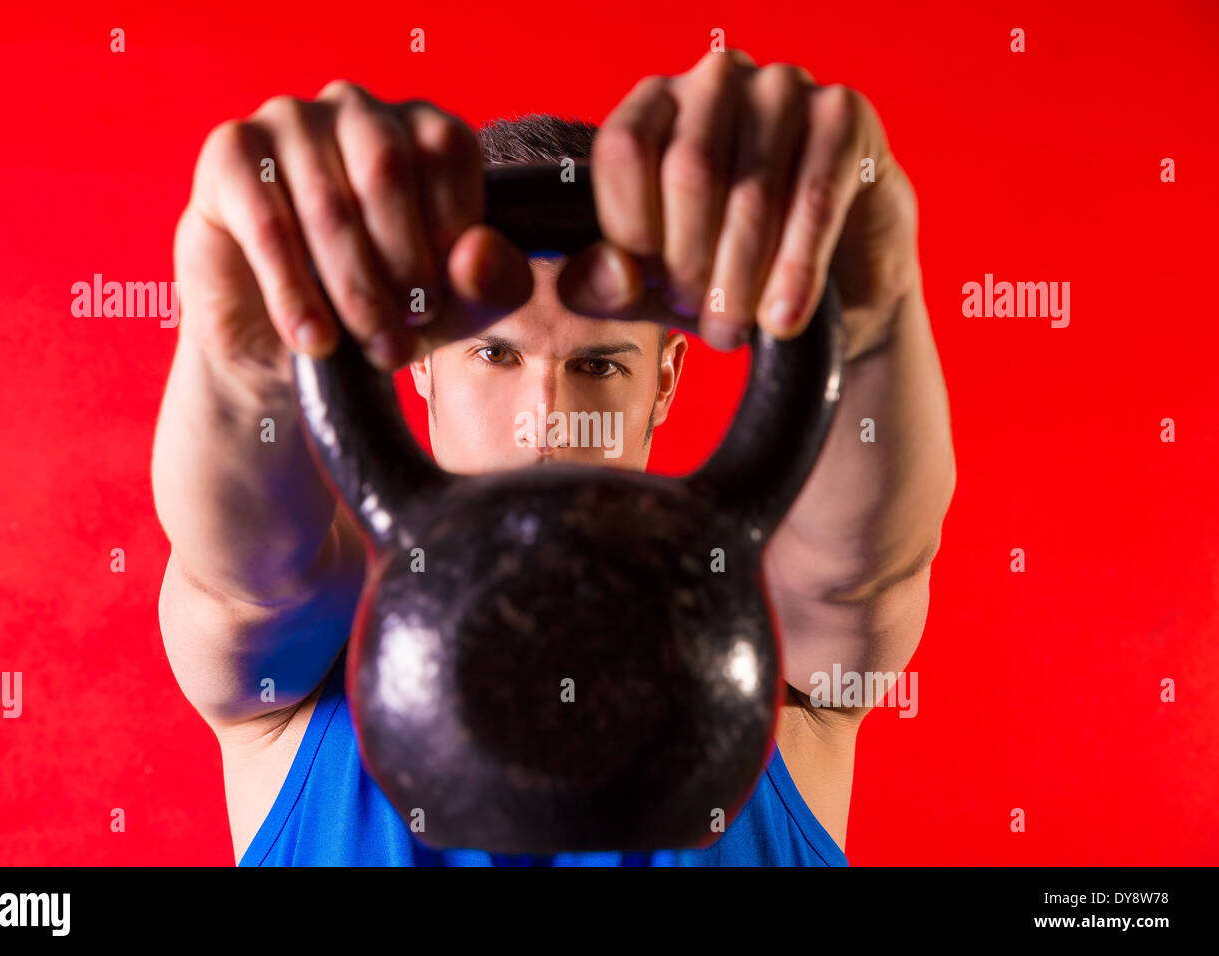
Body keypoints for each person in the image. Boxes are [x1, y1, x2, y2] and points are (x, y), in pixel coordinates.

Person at [151, 49, 956, 865]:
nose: (548, 420)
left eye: (598, 365)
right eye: (495, 357)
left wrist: (868, 314)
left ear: (665, 381)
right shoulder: (316, 643)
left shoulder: (769, 635)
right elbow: (242, 586)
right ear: (420, 362)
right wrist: (248, 356)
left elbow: (858, 577)